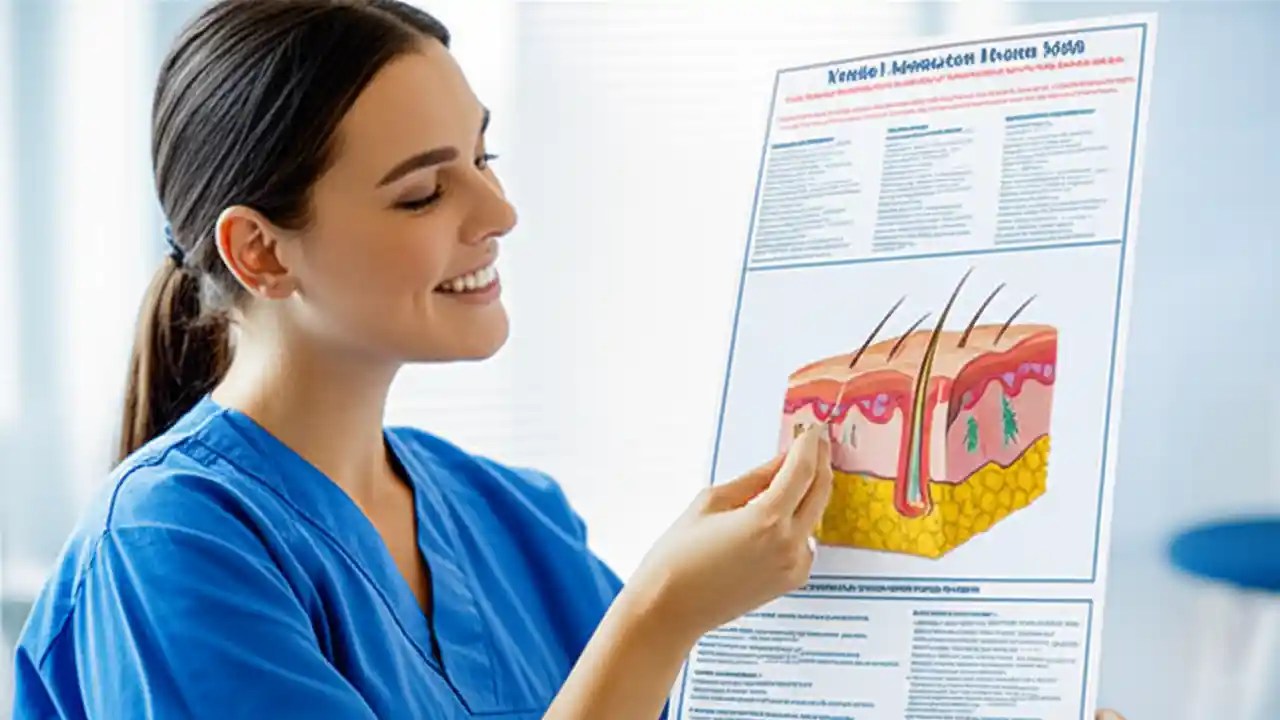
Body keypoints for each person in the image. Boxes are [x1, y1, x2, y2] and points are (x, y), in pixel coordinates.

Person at [9, 2, 1128, 718]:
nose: (497, 208)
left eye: (483, 156)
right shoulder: (173, 546)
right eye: (423, 187)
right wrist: (655, 618)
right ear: (258, 250)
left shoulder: (508, 513)